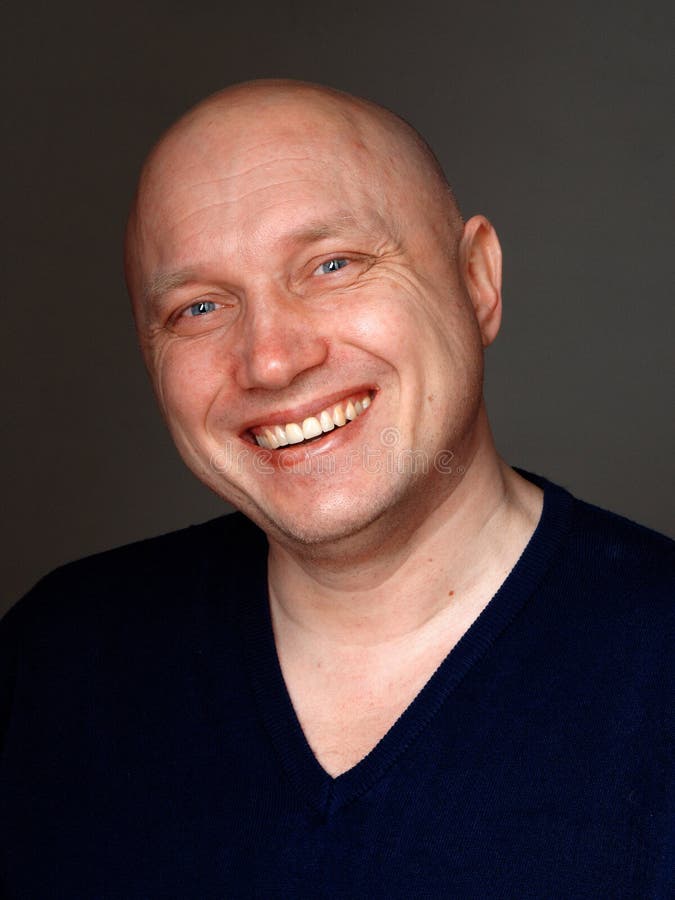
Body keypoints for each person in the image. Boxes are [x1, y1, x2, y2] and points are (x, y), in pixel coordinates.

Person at [1, 80, 672, 898]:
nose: (271, 360)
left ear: (477, 281)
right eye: (199, 307)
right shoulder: (54, 660)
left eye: (331, 265)